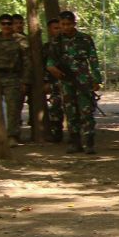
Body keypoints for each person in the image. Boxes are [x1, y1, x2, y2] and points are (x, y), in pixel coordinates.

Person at [47, 11, 102, 155]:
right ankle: (74, 142)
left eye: (69, 24)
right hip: (66, 82)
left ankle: (89, 142)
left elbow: (93, 59)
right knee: (71, 113)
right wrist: (53, 69)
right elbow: (50, 61)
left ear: (74, 24)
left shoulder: (85, 39)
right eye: (63, 24)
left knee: (86, 112)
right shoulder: (56, 41)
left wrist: (97, 79)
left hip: (83, 80)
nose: (66, 27)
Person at [0, 13, 31, 143]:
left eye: (9, 23)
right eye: (4, 24)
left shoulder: (20, 40)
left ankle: (12, 136)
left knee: (13, 108)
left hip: (13, 76)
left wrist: (25, 81)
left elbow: (27, 62)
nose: (7, 26)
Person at [43, 18, 65, 143]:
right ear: (50, 30)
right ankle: (57, 133)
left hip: (71, 81)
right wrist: (45, 81)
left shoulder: (69, 44)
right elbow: (43, 65)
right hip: (54, 82)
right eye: (55, 28)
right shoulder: (47, 47)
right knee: (56, 107)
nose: (58, 30)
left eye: (59, 27)